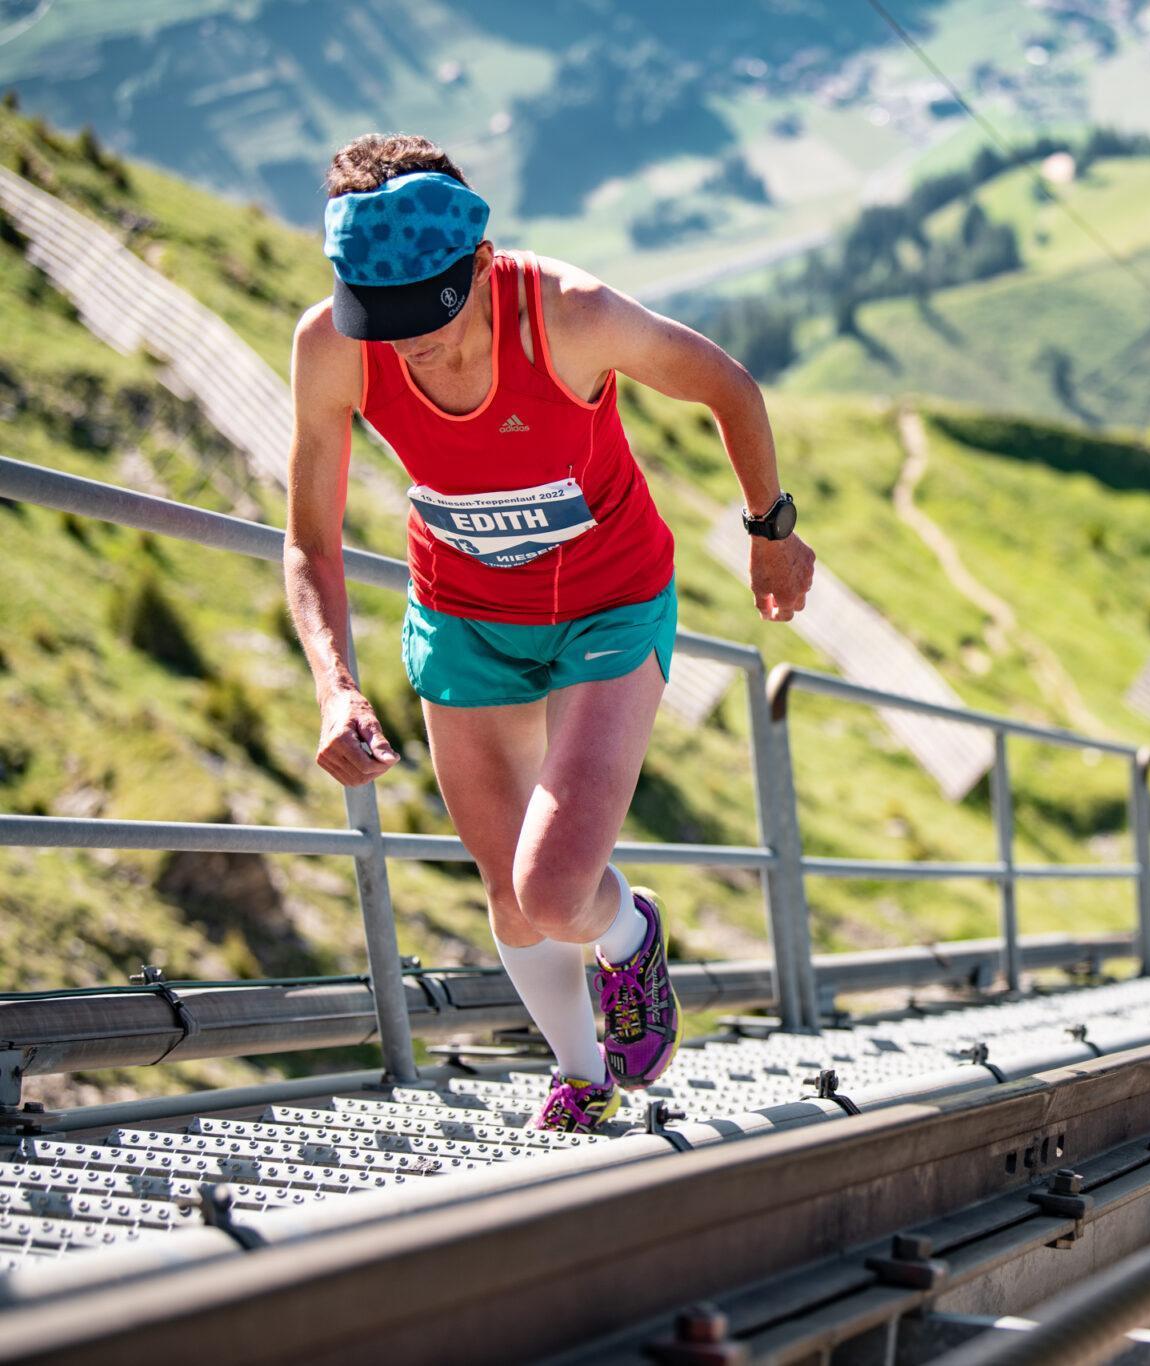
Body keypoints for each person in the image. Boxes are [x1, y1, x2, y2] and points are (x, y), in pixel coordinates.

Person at [283, 134, 816, 1133]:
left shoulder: (569, 315)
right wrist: (333, 684)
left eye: (431, 319)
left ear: (481, 265)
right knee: (509, 894)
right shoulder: (330, 348)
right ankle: (584, 1076)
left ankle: (629, 933)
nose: (411, 349)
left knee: (558, 885)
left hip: (608, 605)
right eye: (383, 322)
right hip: (462, 615)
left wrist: (770, 533)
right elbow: (310, 538)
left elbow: (728, 388)